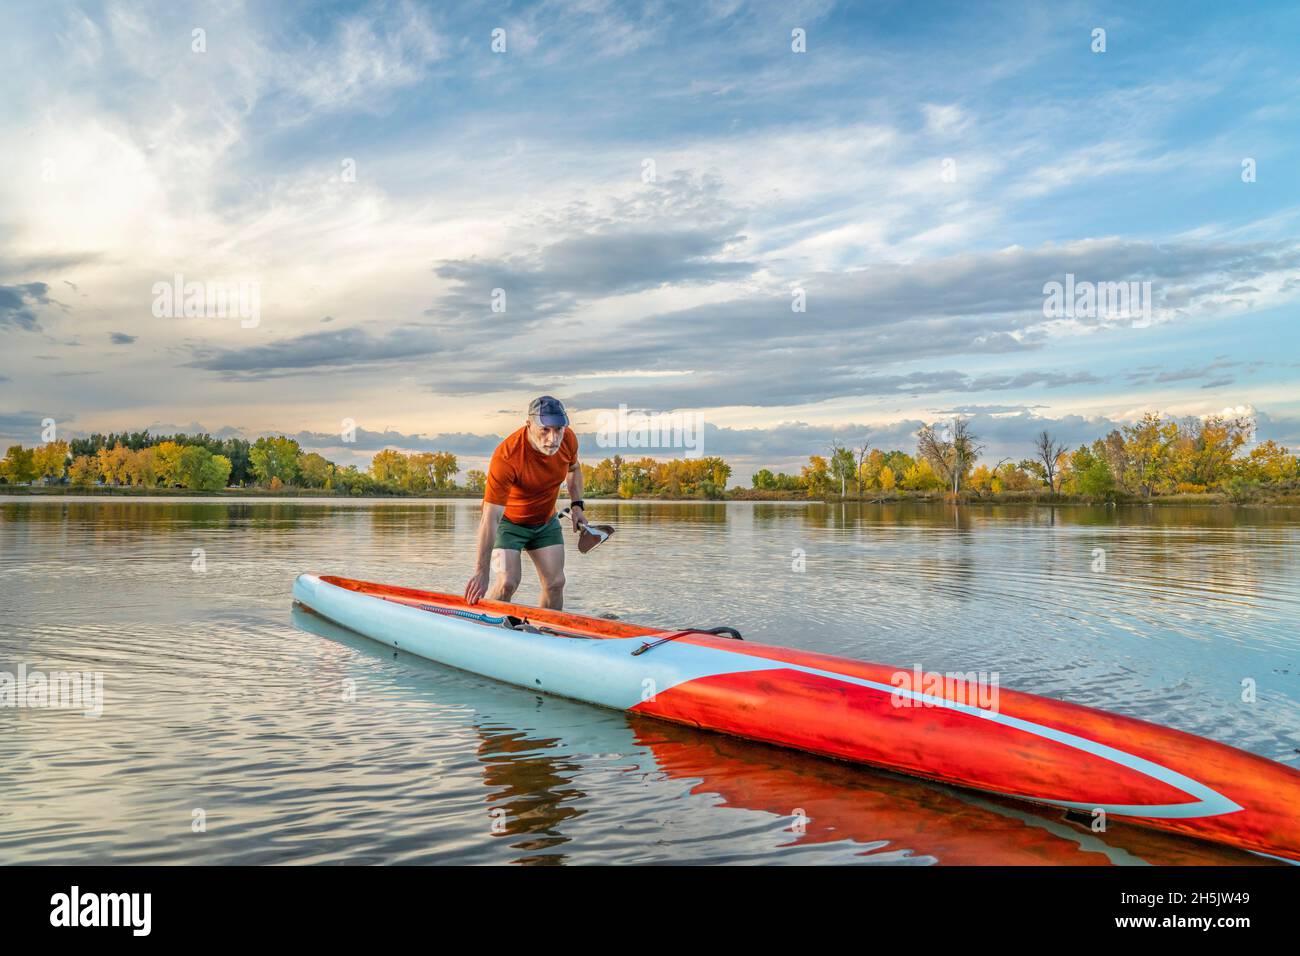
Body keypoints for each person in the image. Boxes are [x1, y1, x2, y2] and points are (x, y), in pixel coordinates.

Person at [465, 396, 585, 609]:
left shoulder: (568, 441)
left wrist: (577, 506)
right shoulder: (507, 456)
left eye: (559, 429)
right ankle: (483, 625)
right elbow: (490, 518)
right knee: (507, 583)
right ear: (529, 425)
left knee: (556, 583)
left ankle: (546, 634)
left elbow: (574, 469)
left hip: (545, 522)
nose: (553, 438)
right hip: (508, 524)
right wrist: (481, 571)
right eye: (545, 430)